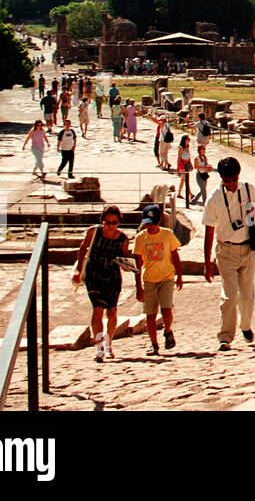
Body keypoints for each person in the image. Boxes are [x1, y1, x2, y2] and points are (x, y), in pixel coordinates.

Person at [202, 157, 255, 351]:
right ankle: (225, 336)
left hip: (247, 248)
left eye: (234, 179)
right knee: (229, 295)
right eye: (227, 181)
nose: (231, 184)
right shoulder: (215, 198)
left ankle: (245, 326)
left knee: (247, 294)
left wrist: (250, 214)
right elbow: (209, 230)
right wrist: (206, 262)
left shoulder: (248, 189)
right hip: (225, 250)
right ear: (221, 179)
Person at [72, 206, 134, 362]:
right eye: (107, 222)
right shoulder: (94, 232)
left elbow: (123, 258)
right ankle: (99, 347)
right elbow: (83, 247)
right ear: (102, 221)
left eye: (114, 223)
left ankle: (109, 345)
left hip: (112, 277)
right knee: (98, 309)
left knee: (112, 311)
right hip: (94, 274)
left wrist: (128, 266)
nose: (110, 226)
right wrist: (79, 270)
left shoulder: (123, 239)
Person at [133, 204, 183, 356]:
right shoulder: (140, 238)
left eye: (152, 223)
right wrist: (138, 287)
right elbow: (137, 264)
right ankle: (153, 343)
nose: (150, 227)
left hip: (166, 277)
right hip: (149, 280)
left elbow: (175, 255)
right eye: (147, 223)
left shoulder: (167, 234)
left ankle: (167, 331)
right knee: (150, 313)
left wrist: (179, 275)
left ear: (159, 220)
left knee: (166, 309)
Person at [174, 135, 193, 203]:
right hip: (182, 164)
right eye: (188, 139)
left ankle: (180, 193)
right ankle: (189, 193)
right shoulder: (181, 148)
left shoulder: (187, 147)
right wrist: (177, 167)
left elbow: (188, 156)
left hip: (186, 164)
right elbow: (179, 158)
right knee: (184, 179)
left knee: (184, 180)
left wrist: (190, 163)